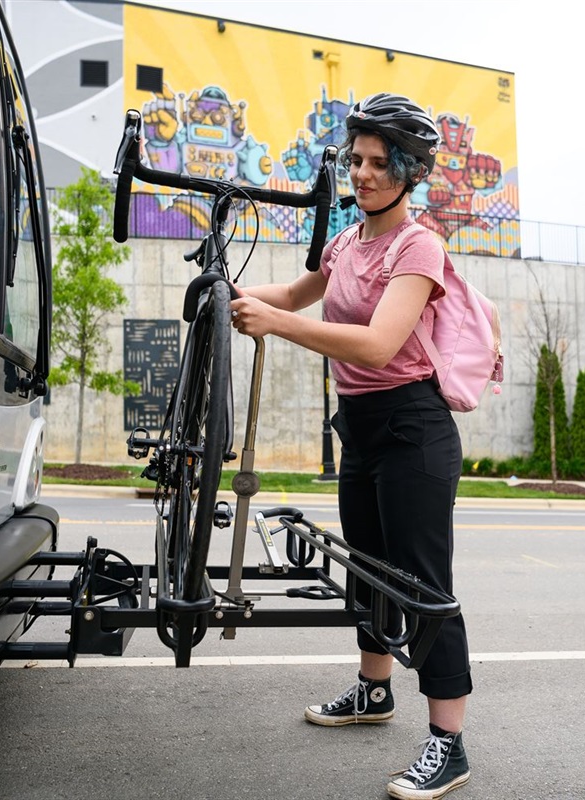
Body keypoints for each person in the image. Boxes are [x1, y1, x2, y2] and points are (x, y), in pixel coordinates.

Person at [229, 93, 472, 800]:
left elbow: (376, 344)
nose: (361, 174)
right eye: (355, 160)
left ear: (409, 171)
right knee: (366, 570)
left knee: (422, 585)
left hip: (413, 431)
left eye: (377, 163)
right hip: (361, 428)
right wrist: (227, 289)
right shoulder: (346, 242)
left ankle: (449, 743)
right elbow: (292, 294)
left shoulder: (417, 246)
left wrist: (274, 325)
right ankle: (374, 690)